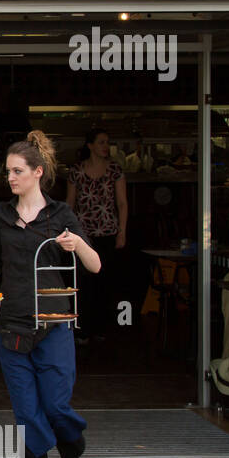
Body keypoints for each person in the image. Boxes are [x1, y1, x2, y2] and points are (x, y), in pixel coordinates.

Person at [0, 130, 101, 458]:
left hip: (54, 322)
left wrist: (76, 244)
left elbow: (95, 265)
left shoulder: (60, 215)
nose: (10, 178)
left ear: (37, 172)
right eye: (7, 171)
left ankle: (72, 446)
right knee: (28, 411)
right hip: (11, 324)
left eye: (17, 171)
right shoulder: (1, 214)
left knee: (56, 404)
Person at [65, 127, 127, 341]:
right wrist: (67, 230)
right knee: (83, 282)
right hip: (83, 234)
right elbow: (70, 203)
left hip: (108, 230)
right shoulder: (77, 171)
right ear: (90, 145)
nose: (105, 146)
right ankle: (82, 328)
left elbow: (122, 202)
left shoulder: (115, 170)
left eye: (107, 142)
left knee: (105, 281)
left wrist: (122, 231)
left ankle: (101, 327)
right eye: (101, 142)